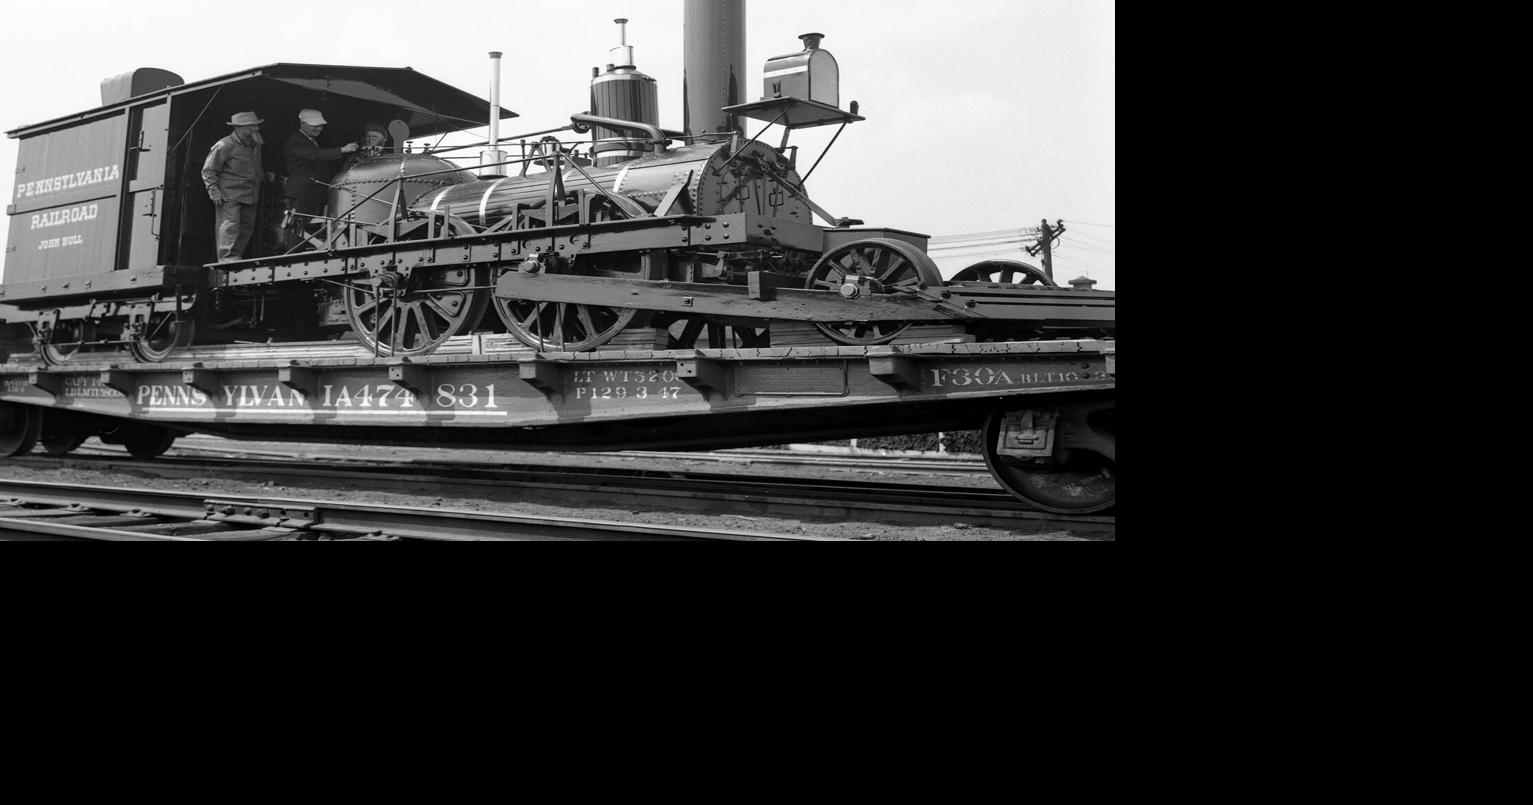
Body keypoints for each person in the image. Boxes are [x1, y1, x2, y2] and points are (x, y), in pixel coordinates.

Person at [200, 111, 266, 262]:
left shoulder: (256, 145)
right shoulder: (224, 145)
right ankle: (227, 259)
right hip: (230, 195)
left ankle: (236, 257)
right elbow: (208, 170)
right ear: (238, 128)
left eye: (255, 126)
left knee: (246, 228)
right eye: (250, 127)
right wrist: (214, 192)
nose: (254, 129)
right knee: (230, 226)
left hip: (251, 194)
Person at [282, 109, 357, 239]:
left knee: (309, 228)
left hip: (313, 192)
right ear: (302, 123)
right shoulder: (296, 140)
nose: (318, 129)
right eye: (314, 125)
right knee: (299, 227)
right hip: (303, 192)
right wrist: (343, 150)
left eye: (320, 125)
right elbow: (314, 155)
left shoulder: (310, 140)